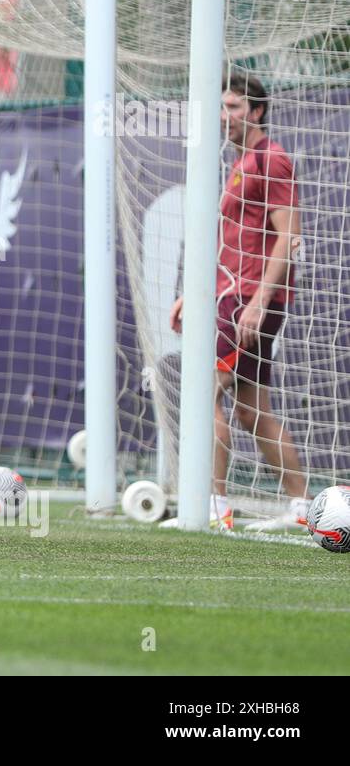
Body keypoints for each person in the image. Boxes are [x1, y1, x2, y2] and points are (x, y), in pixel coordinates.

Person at [170, 72, 308, 528]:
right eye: (220, 108)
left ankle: (212, 504)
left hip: (248, 300)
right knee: (250, 410)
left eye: (232, 107)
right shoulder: (240, 162)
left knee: (203, 392)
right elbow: (232, 242)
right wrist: (195, 292)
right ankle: (303, 506)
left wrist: (258, 302)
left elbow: (289, 236)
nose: (223, 117)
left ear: (256, 111)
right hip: (231, 296)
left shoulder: (272, 159)